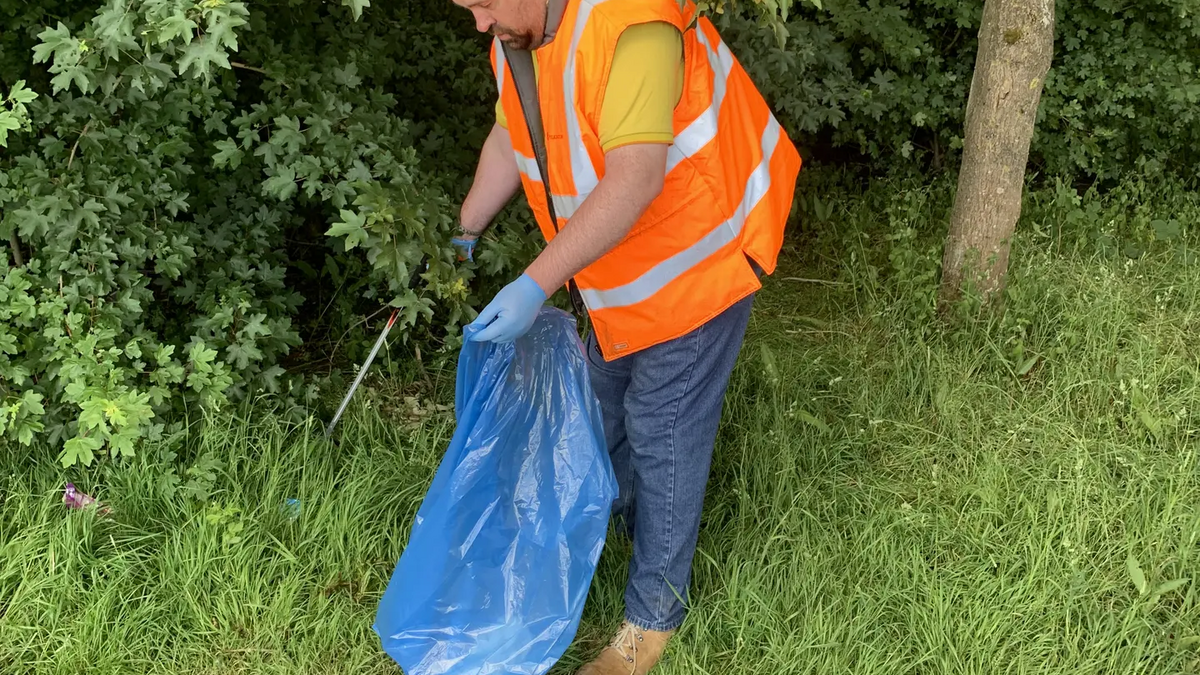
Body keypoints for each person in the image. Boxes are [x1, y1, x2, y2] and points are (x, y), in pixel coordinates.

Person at [448, 0, 801, 671]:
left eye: (484, 3)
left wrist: (533, 283)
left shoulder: (633, 26)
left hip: (700, 259)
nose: (480, 23)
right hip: (620, 275)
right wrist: (465, 229)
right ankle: (628, 535)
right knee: (601, 415)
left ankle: (651, 622)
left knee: (661, 430)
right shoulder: (517, 40)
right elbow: (509, 137)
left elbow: (634, 179)